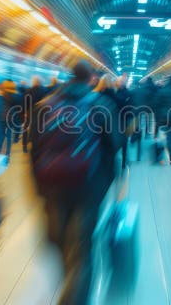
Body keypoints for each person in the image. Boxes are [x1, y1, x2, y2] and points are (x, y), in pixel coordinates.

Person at [30, 61, 123, 305]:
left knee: (60, 241)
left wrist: (38, 188)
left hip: (51, 186)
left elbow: (34, 150)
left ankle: (71, 281)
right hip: (90, 186)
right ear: (92, 78)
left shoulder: (44, 106)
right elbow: (114, 144)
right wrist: (111, 180)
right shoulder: (101, 105)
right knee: (83, 248)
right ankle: (75, 292)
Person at [22, 76, 46, 153]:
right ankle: (35, 146)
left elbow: (25, 102)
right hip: (40, 113)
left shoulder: (28, 90)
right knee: (38, 129)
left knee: (26, 128)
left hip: (30, 112)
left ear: (33, 82)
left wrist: (25, 112)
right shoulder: (44, 90)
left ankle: (24, 146)